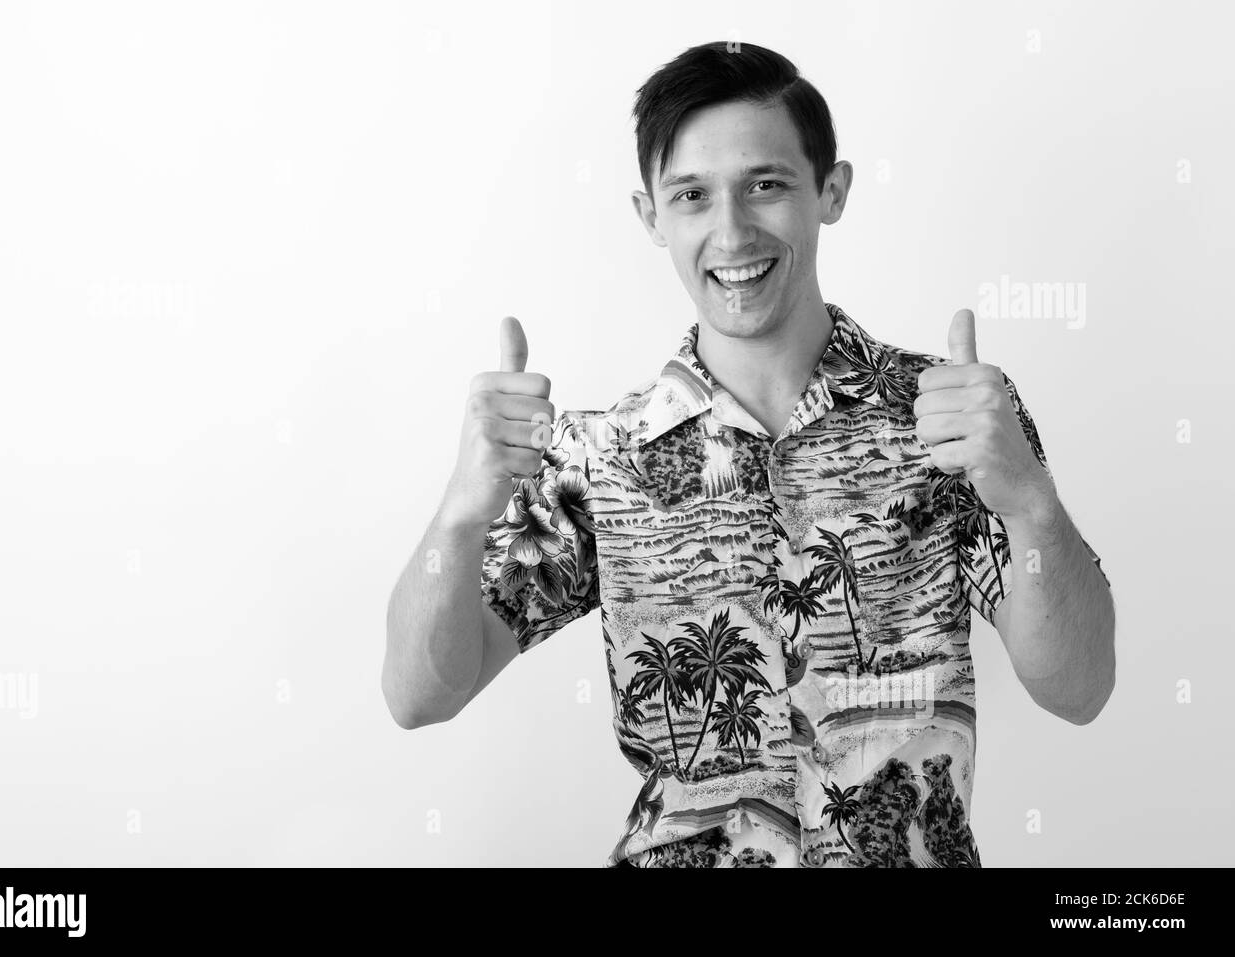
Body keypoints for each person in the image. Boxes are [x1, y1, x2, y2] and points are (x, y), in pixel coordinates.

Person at [382, 40, 1115, 868]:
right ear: (650, 216)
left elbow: (1080, 688)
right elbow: (420, 695)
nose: (730, 232)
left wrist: (1030, 504)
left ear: (830, 192)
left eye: (765, 184)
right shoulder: (601, 457)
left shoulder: (950, 420)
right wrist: (457, 516)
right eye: (691, 195)